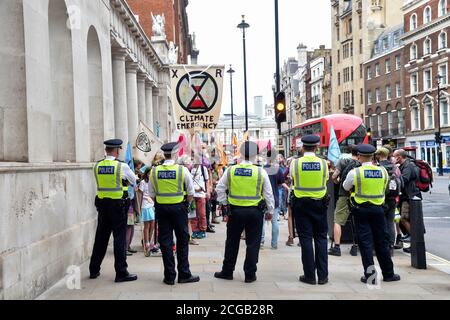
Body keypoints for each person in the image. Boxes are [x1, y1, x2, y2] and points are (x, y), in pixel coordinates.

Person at [214, 141, 275, 283]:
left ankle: (227, 271)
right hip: (255, 213)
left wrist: (225, 204)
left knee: (232, 242)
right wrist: (270, 210)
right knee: (253, 244)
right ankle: (250, 274)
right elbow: (268, 194)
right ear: (257, 155)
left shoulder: (231, 170)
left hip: (235, 212)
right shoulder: (261, 172)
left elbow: (220, 189)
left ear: (240, 153)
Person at [343, 144, 401, 284]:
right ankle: (388, 274)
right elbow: (384, 189)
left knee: (366, 243)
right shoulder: (382, 172)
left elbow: (346, 187)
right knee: (382, 242)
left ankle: (370, 276)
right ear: (373, 156)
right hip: (379, 210)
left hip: (361, 210)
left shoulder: (355, 172)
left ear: (359, 156)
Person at [148, 142, 200, 285]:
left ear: (164, 154)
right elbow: (191, 192)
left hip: (161, 209)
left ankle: (169, 276)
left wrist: (161, 202)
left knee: (165, 242)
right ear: (176, 154)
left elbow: (151, 193)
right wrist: (186, 205)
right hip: (179, 209)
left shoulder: (154, 171)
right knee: (182, 241)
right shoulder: (182, 170)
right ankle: (184, 274)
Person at [89, 139, 138, 283]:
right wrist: (127, 181)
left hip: (103, 205)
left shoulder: (97, 166)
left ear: (106, 150)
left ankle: (94, 269)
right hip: (118, 206)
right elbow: (133, 181)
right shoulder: (121, 166)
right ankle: (121, 272)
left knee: (101, 238)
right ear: (117, 150)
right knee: (119, 238)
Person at [290, 135, 329, 285]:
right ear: (316, 147)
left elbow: (292, 177)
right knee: (321, 238)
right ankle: (323, 276)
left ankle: (310, 276)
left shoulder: (295, 163)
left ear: (302, 147)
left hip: (301, 204)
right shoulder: (324, 163)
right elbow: (325, 179)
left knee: (305, 239)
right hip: (319, 204)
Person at [328, 145, 360, 257]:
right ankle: (357, 246)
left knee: (338, 220)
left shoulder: (343, 161)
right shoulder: (362, 164)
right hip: (359, 197)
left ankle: (336, 247)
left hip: (344, 195)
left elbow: (334, 176)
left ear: (351, 152)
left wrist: (339, 183)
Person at [393, 149, 422, 253]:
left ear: (399, 157)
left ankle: (414, 239)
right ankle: (412, 240)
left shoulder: (408, 166)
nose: (393, 157)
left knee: (404, 219)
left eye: (395, 156)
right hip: (405, 196)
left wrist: (394, 175)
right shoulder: (403, 166)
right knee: (402, 219)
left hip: (410, 196)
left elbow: (403, 180)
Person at [375, 147, 402, 254]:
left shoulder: (378, 167)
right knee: (390, 222)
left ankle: (380, 247)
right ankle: (390, 246)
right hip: (393, 199)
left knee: (379, 223)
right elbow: (401, 183)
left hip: (380, 199)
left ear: (378, 156)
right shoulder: (395, 168)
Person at [261, 149, 283, 250]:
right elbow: (280, 183)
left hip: (263, 199)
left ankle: (261, 241)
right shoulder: (277, 170)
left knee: (262, 222)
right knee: (275, 222)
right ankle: (274, 244)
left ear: (266, 157)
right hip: (275, 198)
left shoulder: (262, 170)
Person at [139, 167, 157, 257]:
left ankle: (150, 241)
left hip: (152, 205)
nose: (151, 175)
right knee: (147, 226)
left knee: (152, 225)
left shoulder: (153, 182)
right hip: (145, 205)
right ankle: (146, 243)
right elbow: (141, 195)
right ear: (146, 174)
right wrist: (139, 208)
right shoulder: (143, 182)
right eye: (149, 173)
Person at [190, 160, 210, 239]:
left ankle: (202, 230)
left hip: (201, 194)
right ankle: (195, 230)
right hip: (192, 194)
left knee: (202, 214)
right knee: (193, 214)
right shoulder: (190, 168)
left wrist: (208, 191)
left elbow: (207, 180)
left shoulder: (203, 168)